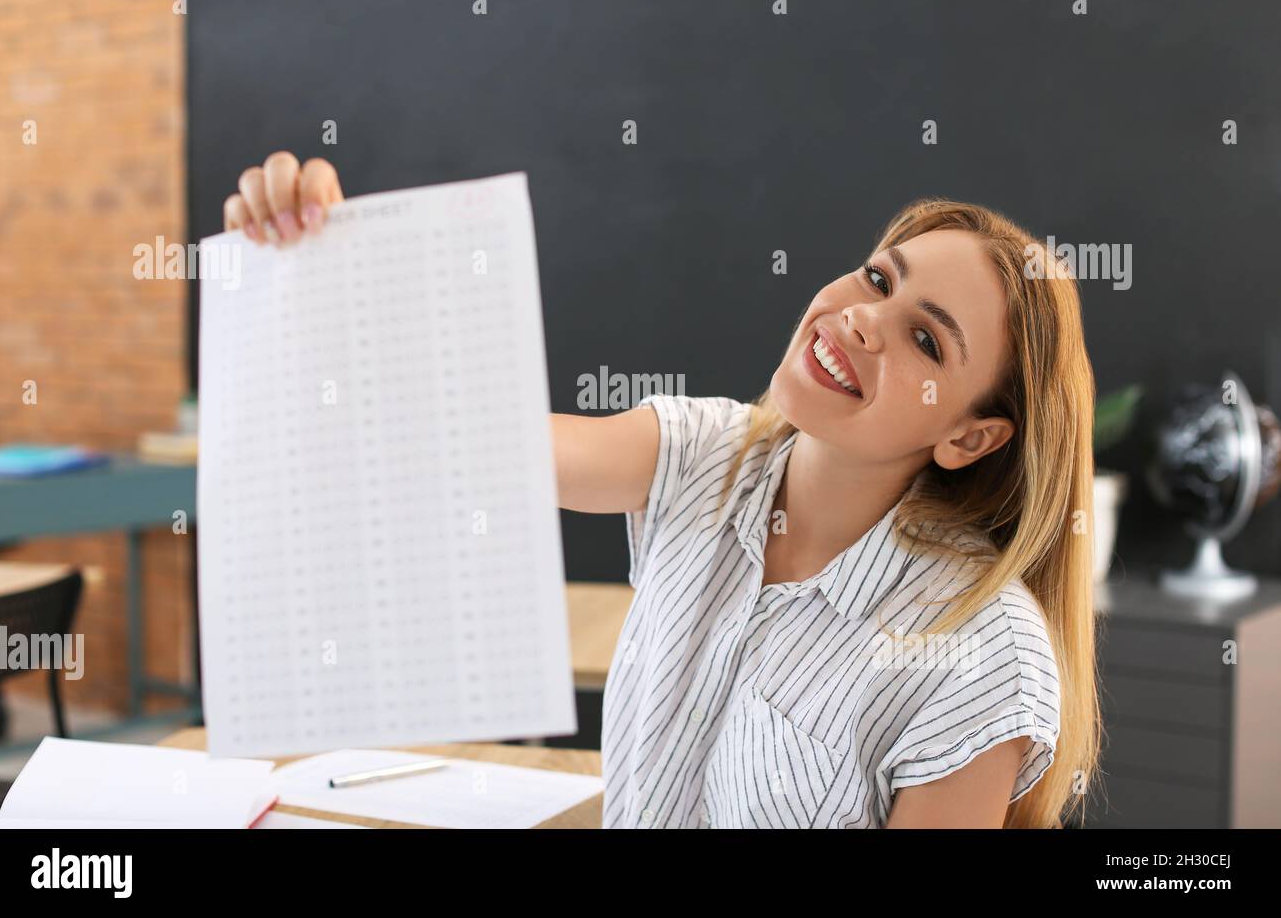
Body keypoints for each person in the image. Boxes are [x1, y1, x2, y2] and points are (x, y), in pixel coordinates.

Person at [223, 153, 1101, 828]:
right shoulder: (704, 455)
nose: (866, 319)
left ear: (968, 437)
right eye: (879, 279)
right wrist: (317, 261)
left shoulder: (982, 653)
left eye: (925, 340)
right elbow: (466, 444)